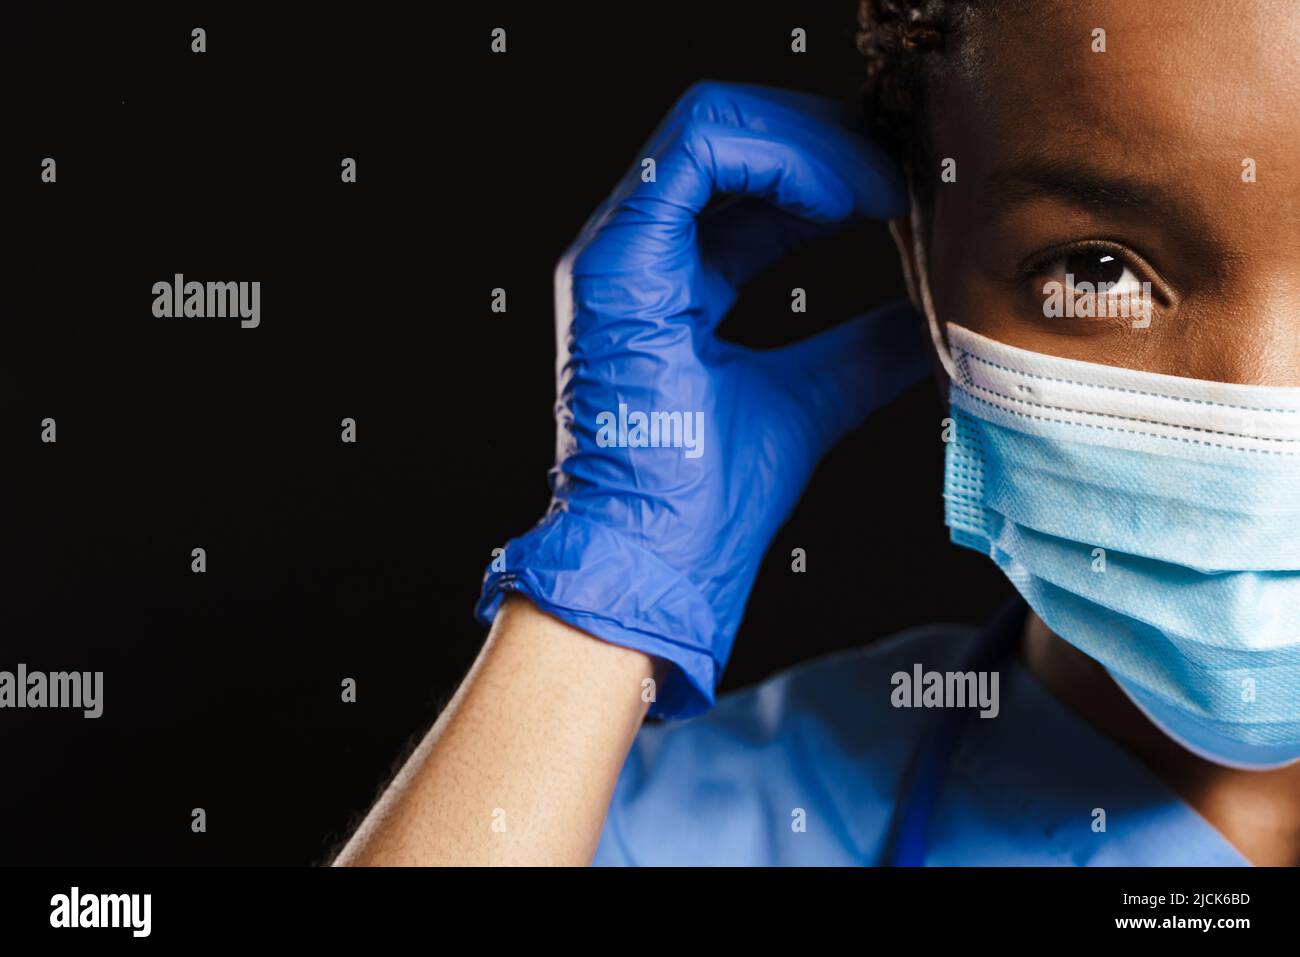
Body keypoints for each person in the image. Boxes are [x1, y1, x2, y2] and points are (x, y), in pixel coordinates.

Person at [334, 0, 1300, 866]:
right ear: (921, 268)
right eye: (1097, 269)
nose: (1262, 417)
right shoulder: (655, 835)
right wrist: (602, 595)